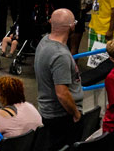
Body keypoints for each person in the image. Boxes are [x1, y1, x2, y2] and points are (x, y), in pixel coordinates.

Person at [34, 8, 83, 151]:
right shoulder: (60, 55)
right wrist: (76, 114)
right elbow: (62, 93)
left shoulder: (44, 41)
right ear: (71, 27)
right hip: (61, 116)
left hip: (49, 111)